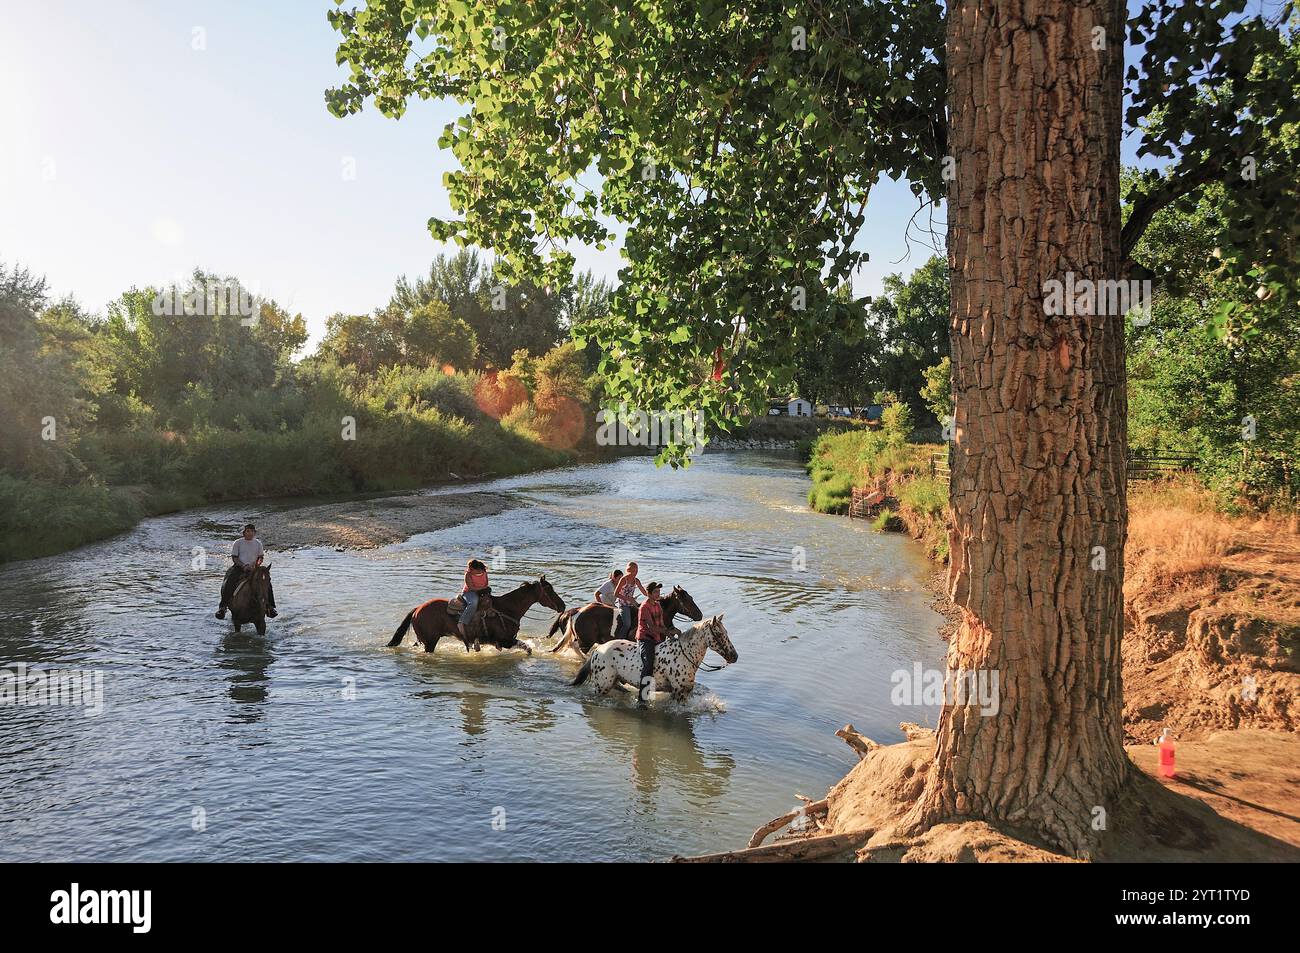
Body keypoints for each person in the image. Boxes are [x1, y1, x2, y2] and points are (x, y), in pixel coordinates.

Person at [216, 523, 277, 619]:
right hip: (239, 567)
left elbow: (260, 557)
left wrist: (256, 564)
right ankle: (223, 607)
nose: (250, 533)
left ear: (254, 533)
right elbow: (234, 558)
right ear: (244, 533)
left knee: (266, 582)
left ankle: (270, 606)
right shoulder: (238, 543)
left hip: (254, 568)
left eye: (252, 531)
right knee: (229, 581)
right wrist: (243, 566)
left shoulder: (258, 543)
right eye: (248, 531)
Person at [635, 582, 668, 707]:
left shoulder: (658, 605)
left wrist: (670, 634)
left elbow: (661, 624)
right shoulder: (644, 607)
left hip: (656, 638)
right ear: (648, 594)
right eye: (655, 592)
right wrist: (667, 631)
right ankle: (642, 699)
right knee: (648, 664)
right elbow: (652, 627)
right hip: (645, 639)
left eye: (658, 592)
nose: (658, 594)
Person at [613, 561, 649, 640]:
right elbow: (615, 594)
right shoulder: (623, 579)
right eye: (633, 570)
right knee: (627, 624)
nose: (635, 573)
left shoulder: (636, 581)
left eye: (636, 570)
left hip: (632, 604)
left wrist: (654, 596)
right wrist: (628, 599)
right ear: (628, 570)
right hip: (623, 605)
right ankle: (620, 640)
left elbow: (644, 592)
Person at [457, 558, 490, 640]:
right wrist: (482, 589)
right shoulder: (468, 574)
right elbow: (471, 587)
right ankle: (462, 622)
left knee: (491, 602)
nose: (468, 570)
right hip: (469, 592)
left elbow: (486, 584)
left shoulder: (484, 572)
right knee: (473, 603)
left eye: (470, 568)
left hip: (481, 591)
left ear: (476, 569)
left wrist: (484, 590)